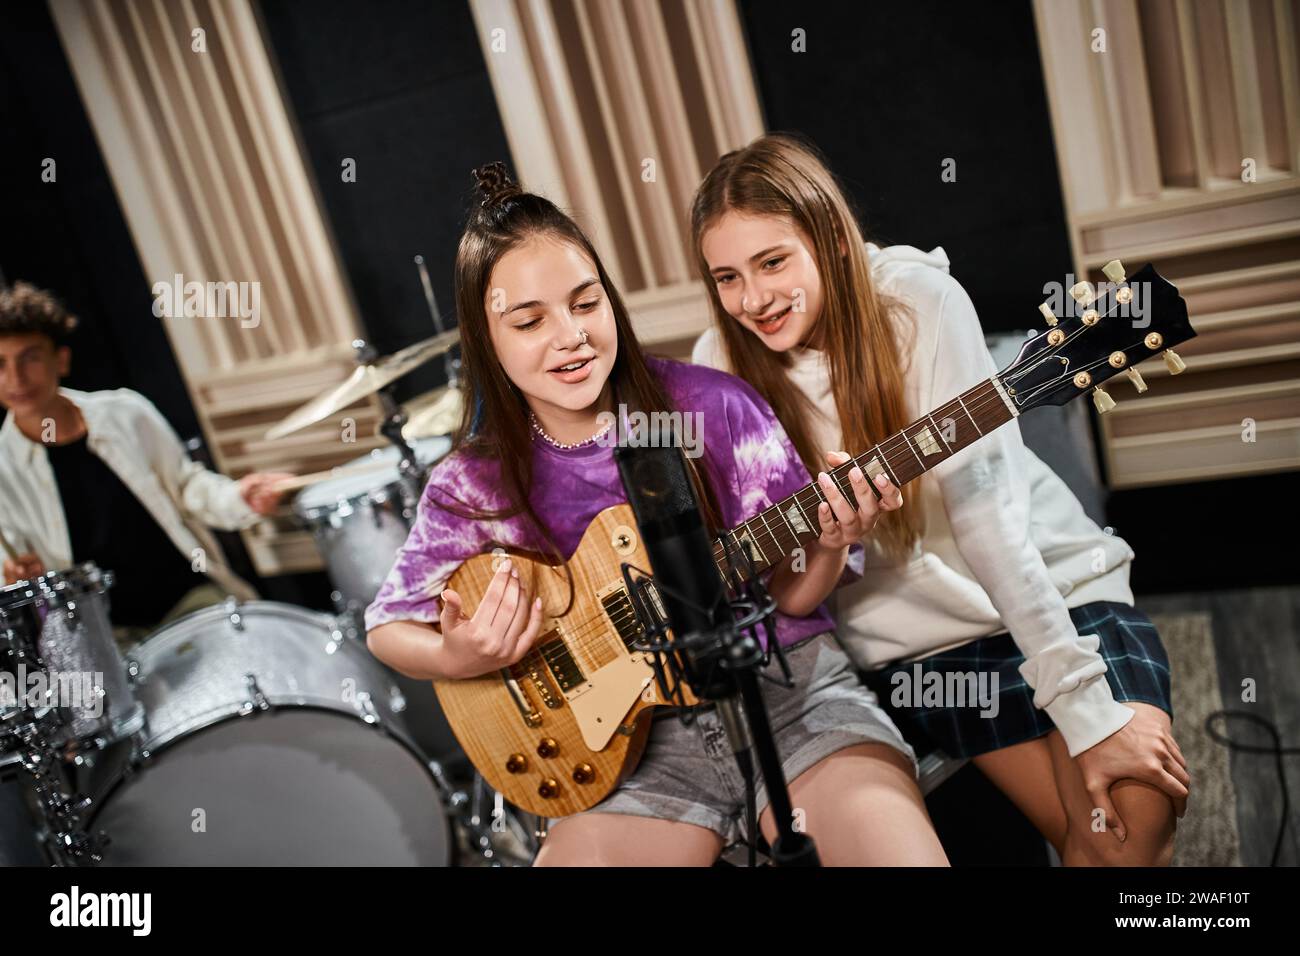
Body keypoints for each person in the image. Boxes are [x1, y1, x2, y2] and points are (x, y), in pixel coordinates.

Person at [365, 163, 948, 866]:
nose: (571, 335)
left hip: (787, 691)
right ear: (486, 340)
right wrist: (455, 654)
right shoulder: (475, 480)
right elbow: (387, 627)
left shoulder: (713, 406)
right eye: (530, 321)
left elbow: (793, 598)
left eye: (586, 303)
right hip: (628, 756)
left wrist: (827, 544)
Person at [689, 133, 1188, 865]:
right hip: (918, 647)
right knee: (1113, 843)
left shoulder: (918, 301)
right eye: (727, 277)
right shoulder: (720, 366)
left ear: (830, 238)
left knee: (1138, 815)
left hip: (1050, 588)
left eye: (773, 262)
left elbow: (989, 522)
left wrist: (1085, 707)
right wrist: (831, 541)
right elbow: (788, 592)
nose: (754, 299)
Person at [0, 282, 290, 643]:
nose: (15, 378)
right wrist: (16, 580)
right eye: (1, 364)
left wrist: (240, 498)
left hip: (190, 600)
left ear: (60, 359)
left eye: (30, 358)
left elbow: (187, 486)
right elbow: (12, 575)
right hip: (106, 638)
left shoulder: (126, 412)